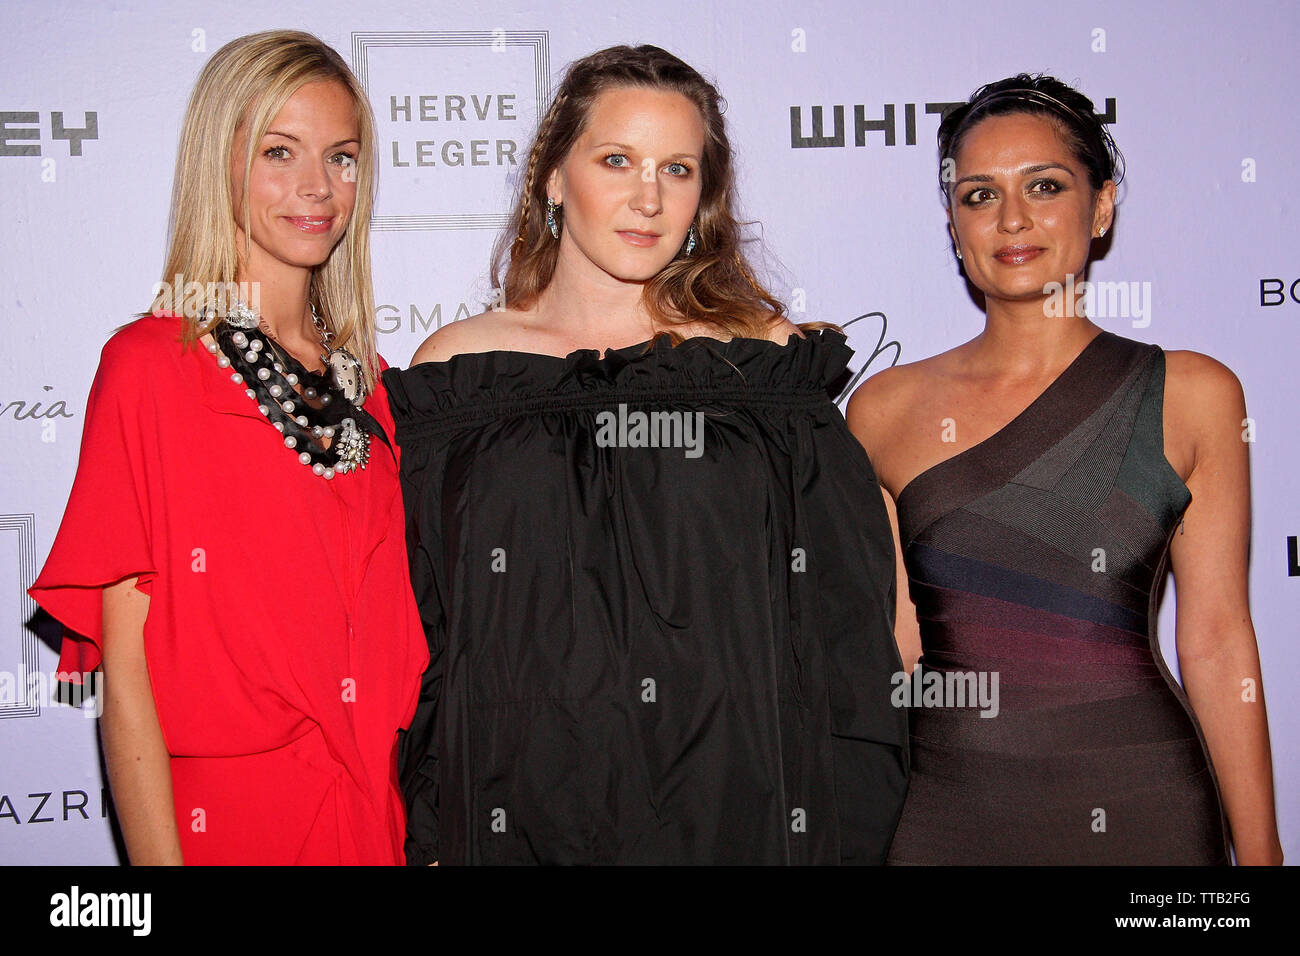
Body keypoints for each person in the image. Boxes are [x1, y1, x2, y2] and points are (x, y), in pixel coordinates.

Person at [384, 44, 908, 865]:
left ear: (705, 195)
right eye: (617, 160)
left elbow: (841, 625)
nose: (648, 197)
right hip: (517, 808)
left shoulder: (761, 368)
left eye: (678, 169)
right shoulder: (455, 373)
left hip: (730, 809)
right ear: (553, 177)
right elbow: (424, 624)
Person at [848, 74, 1283, 865]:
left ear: (1103, 205)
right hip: (943, 812)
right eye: (979, 196)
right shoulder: (884, 409)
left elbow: (1217, 638)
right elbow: (897, 647)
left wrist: (1260, 860)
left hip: (1144, 801)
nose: (1012, 218)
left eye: (1045, 186)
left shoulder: (1191, 393)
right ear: (952, 224)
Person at [28, 30, 428, 865]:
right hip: (231, 828)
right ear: (223, 162)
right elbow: (127, 676)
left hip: (376, 820)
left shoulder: (375, 390)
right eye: (281, 153)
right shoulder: (150, 368)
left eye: (343, 157)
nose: (319, 188)